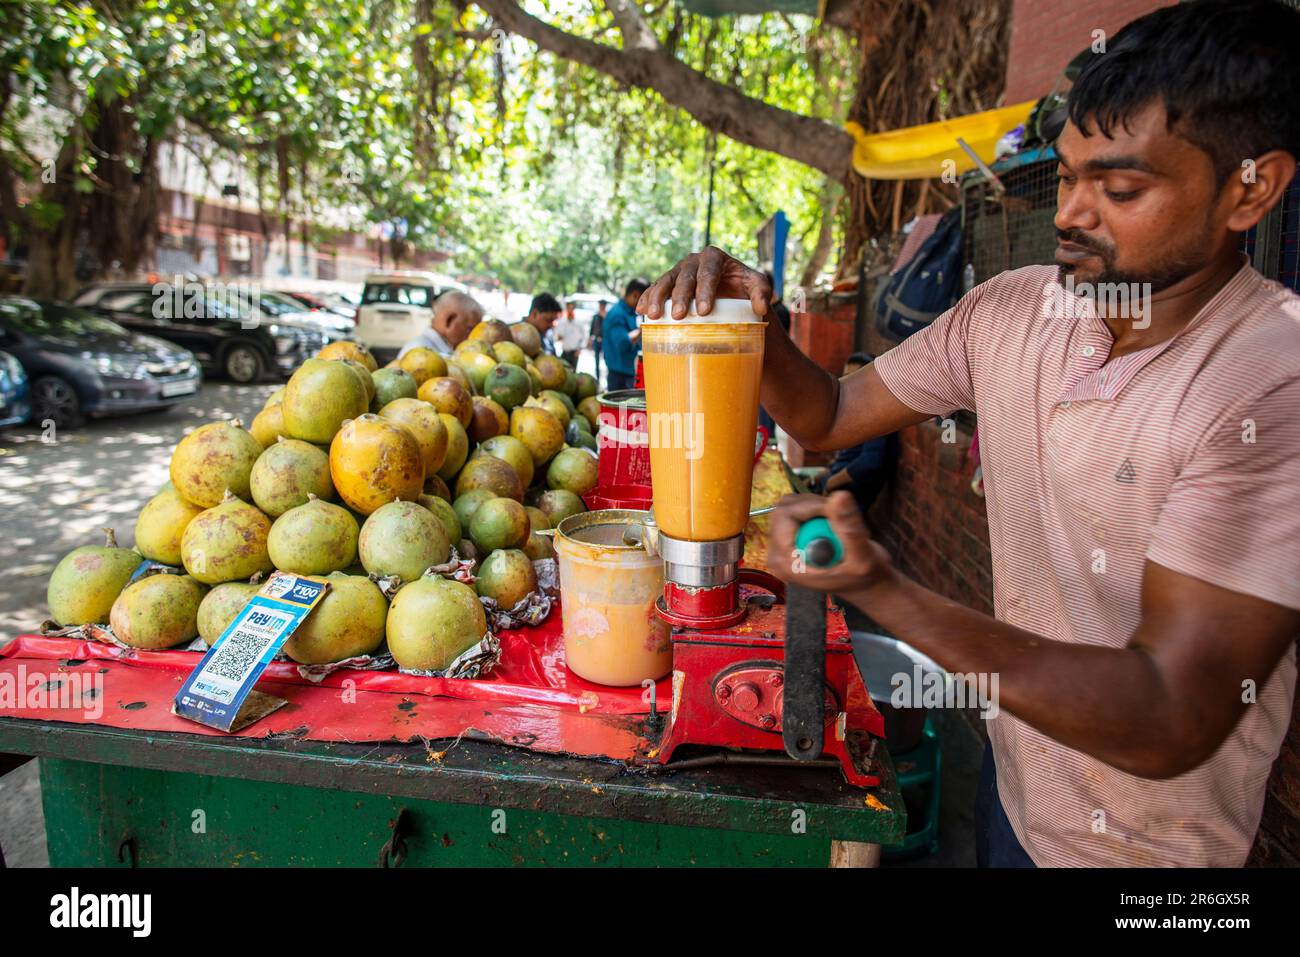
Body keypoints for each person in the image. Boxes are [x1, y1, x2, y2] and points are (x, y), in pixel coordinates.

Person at [639, 0, 1300, 868]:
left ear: (1251, 188)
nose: (1071, 214)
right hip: (1014, 780)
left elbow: (1170, 710)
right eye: (1066, 178)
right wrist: (751, 315)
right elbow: (829, 414)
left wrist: (884, 590)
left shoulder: (1269, 377)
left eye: (1122, 188)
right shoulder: (1012, 311)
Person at [810, 353, 894, 514]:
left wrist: (831, 483)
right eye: (847, 377)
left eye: (855, 377)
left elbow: (870, 461)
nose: (849, 384)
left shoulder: (878, 417)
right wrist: (819, 477)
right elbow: (846, 458)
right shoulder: (858, 412)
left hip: (845, 499)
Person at [397, 290, 483, 357]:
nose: (472, 337)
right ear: (449, 320)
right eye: (470, 329)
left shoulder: (443, 350)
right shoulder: (419, 352)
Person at [603, 279, 649, 391]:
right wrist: (643, 329)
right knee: (622, 407)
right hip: (620, 377)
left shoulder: (630, 313)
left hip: (629, 373)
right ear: (635, 295)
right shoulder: (617, 314)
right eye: (645, 300)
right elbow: (622, 343)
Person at [555, 301, 585, 367]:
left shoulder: (579, 322)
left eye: (571, 308)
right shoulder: (562, 322)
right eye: (568, 308)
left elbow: (583, 337)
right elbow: (557, 336)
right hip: (565, 351)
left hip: (574, 352)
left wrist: (580, 349)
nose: (570, 310)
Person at [589, 300, 608, 383]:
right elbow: (592, 329)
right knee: (596, 361)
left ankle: (607, 377)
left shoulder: (607, 316)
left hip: (604, 341)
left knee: (606, 359)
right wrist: (589, 339)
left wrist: (604, 317)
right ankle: (598, 378)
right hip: (596, 340)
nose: (601, 307)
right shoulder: (595, 316)